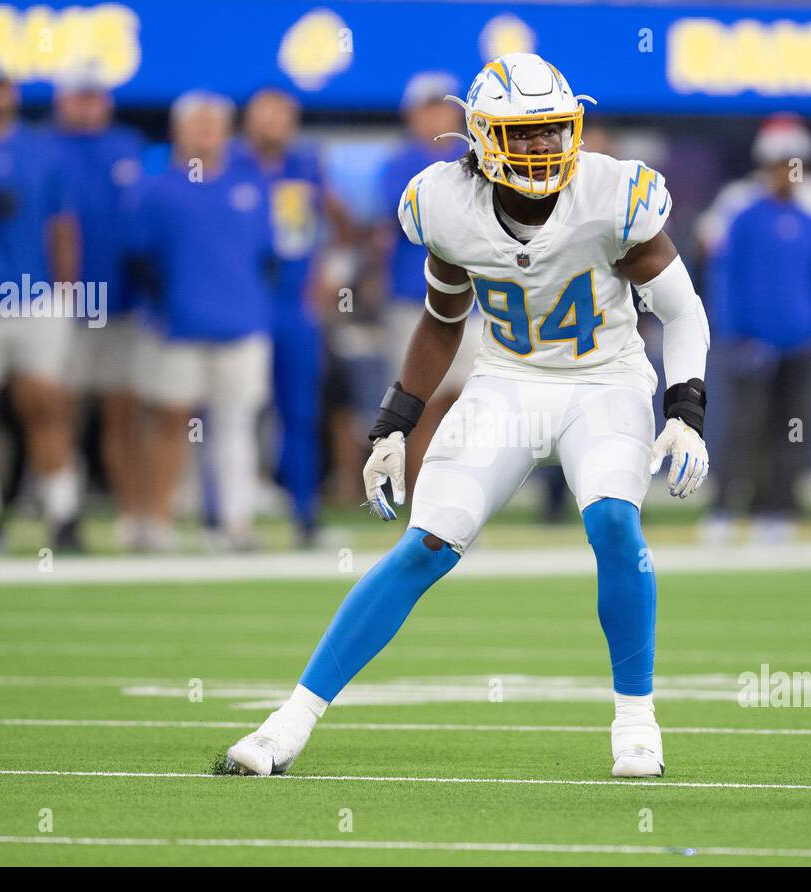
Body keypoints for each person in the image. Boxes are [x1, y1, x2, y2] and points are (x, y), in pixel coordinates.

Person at [226, 54, 710, 779]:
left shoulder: (613, 191)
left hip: (603, 381)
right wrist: (394, 422)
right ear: (483, 138)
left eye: (554, 130)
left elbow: (681, 310)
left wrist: (687, 408)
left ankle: (636, 722)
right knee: (425, 544)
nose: (547, 148)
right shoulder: (443, 203)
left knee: (613, 519)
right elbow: (442, 318)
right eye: (528, 133)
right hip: (508, 382)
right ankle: (288, 722)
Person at [129, 91, 275, 551]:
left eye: (215, 123)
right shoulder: (156, 189)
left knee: (235, 424)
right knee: (169, 424)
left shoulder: (250, 187)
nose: (207, 132)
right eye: (199, 123)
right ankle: (157, 521)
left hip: (240, 322)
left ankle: (234, 522)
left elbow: (267, 257)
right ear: (178, 130)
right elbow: (138, 259)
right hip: (177, 326)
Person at [0, 60, 83, 550]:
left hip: (35, 295)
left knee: (45, 404)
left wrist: (66, 293)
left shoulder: (39, 150)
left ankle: (63, 510)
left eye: (2, 88)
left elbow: (62, 226)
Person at [698, 115, 811, 543]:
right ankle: (723, 508)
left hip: (800, 344)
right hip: (751, 342)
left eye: (793, 164)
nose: (787, 173)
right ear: (766, 167)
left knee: (792, 426)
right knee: (743, 427)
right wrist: (734, 331)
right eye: (780, 164)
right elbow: (726, 279)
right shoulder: (743, 218)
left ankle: (779, 508)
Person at [233, 88, 351, 547]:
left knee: (300, 413)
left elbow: (341, 223)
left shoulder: (305, 166)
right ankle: (228, 516)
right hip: (241, 304)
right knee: (233, 413)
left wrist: (332, 271)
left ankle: (305, 513)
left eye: (283, 116)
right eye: (267, 116)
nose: (275, 125)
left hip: (294, 305)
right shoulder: (228, 164)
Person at [52, 64, 146, 549]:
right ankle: (62, 511)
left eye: (95, 97)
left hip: (122, 302)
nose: (87, 105)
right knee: (59, 414)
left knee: (122, 415)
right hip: (60, 305)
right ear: (60, 101)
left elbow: (144, 224)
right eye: (78, 97)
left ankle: (133, 519)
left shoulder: (127, 146)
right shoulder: (44, 148)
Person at [375, 72, 470, 489]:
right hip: (416, 301)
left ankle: (460, 498)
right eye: (429, 108)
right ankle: (419, 501)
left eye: (443, 107)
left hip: (475, 302)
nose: (437, 117)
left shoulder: (477, 157)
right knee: (417, 404)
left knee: (468, 408)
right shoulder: (401, 164)